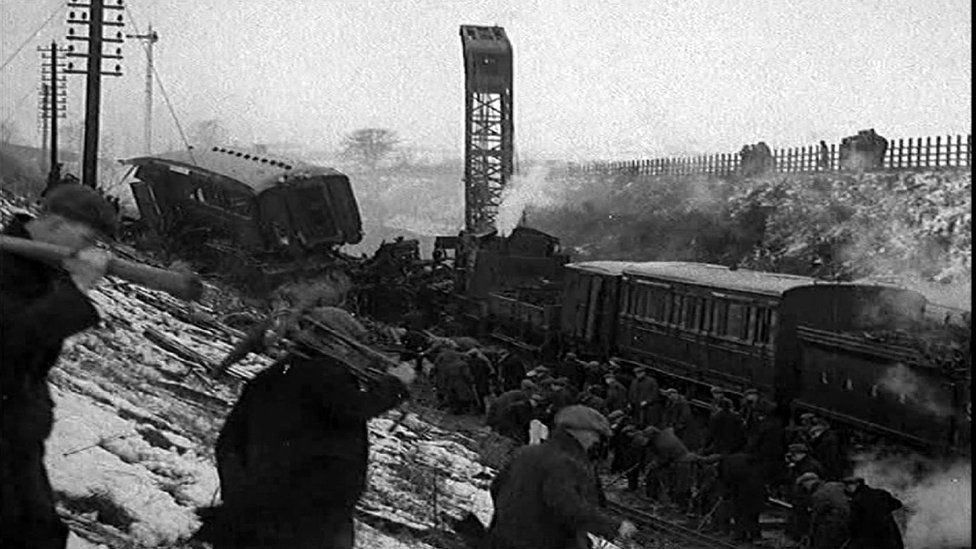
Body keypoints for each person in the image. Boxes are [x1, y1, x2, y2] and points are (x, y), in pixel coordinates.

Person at [198, 307, 415, 549]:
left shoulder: (274, 374)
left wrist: (240, 495)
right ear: (337, 341)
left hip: (270, 503)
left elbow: (228, 443)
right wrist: (395, 384)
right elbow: (354, 408)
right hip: (306, 509)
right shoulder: (323, 373)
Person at [1, 185, 117, 549]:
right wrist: (78, 288)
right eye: (86, 238)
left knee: (39, 532)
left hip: (15, 432)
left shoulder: (39, 268)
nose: (91, 251)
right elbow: (11, 339)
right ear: (53, 222)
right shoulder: (5, 266)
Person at [487, 405, 637, 549]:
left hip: (504, 538)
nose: (595, 441)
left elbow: (496, 487)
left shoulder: (525, 452)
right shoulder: (565, 463)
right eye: (595, 435)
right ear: (582, 432)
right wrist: (614, 525)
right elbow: (568, 506)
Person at [844, 476, 905, 549]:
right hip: (890, 538)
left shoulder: (856, 501)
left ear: (858, 484)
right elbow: (897, 505)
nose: (846, 488)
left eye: (849, 484)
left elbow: (853, 525)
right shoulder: (881, 493)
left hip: (871, 540)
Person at [798, 472, 851, 549]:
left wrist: (810, 535)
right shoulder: (834, 485)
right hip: (849, 522)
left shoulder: (818, 495)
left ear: (807, 483)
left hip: (833, 526)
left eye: (804, 485)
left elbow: (816, 517)